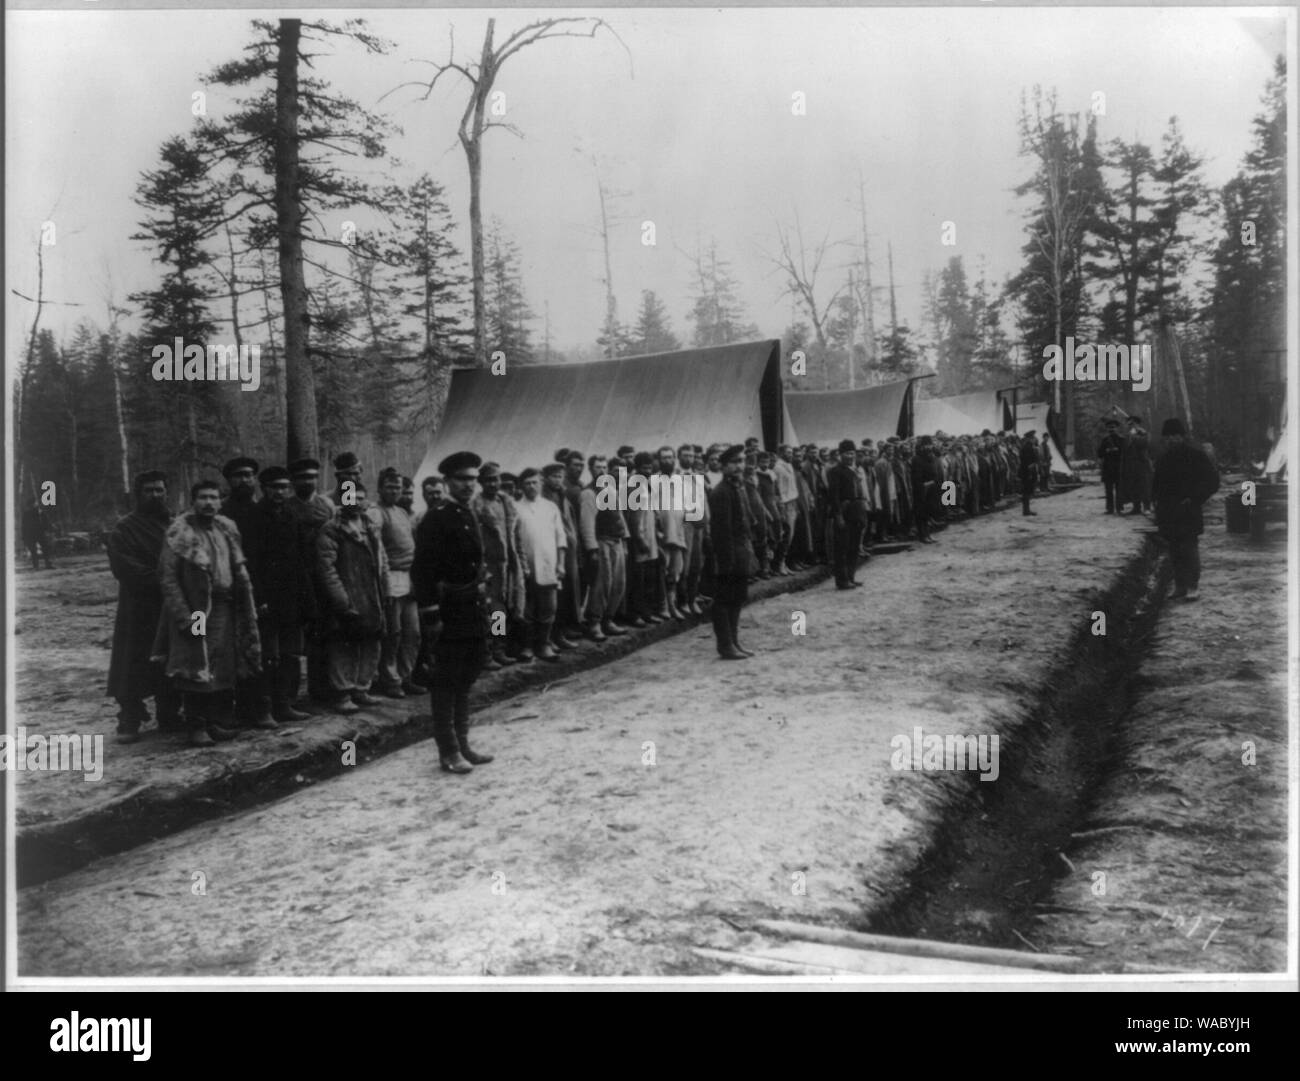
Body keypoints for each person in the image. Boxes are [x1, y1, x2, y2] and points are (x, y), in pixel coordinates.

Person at [152, 479, 262, 747]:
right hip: (199, 609)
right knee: (196, 664)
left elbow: (236, 570)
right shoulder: (180, 534)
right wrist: (185, 616)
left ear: (220, 501)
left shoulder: (226, 530)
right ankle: (196, 726)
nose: (209, 502)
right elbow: (167, 578)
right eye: (203, 497)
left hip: (225, 606)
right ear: (193, 501)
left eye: (214, 497)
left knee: (222, 663)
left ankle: (215, 721)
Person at [412, 451, 495, 773]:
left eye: (473, 479)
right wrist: (431, 614)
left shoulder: (467, 513)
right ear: (447, 481)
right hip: (448, 610)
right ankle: (448, 751)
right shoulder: (437, 517)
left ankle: (464, 744)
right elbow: (422, 571)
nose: (469, 485)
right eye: (462, 479)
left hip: (471, 606)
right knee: (446, 680)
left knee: (467, 676)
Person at [106, 470, 181, 743]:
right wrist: (163, 580)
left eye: (159, 490)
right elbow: (124, 566)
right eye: (149, 490)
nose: (155, 495)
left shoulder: (173, 524)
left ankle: (170, 714)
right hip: (138, 607)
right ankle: (129, 719)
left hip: (169, 605)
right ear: (138, 494)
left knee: (169, 658)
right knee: (132, 662)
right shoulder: (125, 528)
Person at [241, 465, 316, 725]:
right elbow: (250, 562)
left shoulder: (290, 516)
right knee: (267, 655)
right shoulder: (253, 517)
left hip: (290, 596)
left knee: (288, 653)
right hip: (266, 598)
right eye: (275, 487)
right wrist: (259, 599)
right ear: (264, 489)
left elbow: (300, 559)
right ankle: (263, 709)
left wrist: (306, 597)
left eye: (285, 487)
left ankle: (284, 704)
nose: (280, 492)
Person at [315, 481, 389, 714]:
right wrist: (341, 601)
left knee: (371, 642)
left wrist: (384, 589)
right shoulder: (332, 529)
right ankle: (342, 693)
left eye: (359, 497)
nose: (354, 502)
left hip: (372, 593)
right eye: (349, 497)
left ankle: (361, 688)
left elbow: (382, 559)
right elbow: (327, 569)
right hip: (348, 592)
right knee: (344, 644)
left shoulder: (371, 525)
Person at [1152, 418, 1219, 602]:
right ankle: (1180, 586)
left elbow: (1213, 481)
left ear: (1183, 436)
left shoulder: (1196, 455)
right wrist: (1156, 506)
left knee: (1189, 548)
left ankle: (1192, 586)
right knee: (1174, 551)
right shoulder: (1163, 459)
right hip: (1169, 512)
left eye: (1176, 435)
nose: (1172, 439)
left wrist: (1195, 498)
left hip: (1188, 511)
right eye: (1169, 436)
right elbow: (1156, 485)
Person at [370, 468, 423, 697]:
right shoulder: (376, 512)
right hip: (390, 577)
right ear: (380, 488)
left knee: (413, 633)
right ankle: (390, 680)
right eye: (390, 487)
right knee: (394, 633)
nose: (395, 491)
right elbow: (377, 549)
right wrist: (384, 583)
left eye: (398, 487)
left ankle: (406, 675)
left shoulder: (402, 512)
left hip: (409, 577)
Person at [471, 462, 525, 667]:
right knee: (493, 611)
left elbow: (516, 538)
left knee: (508, 608)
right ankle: (489, 652)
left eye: (496, 479)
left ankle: (502, 647)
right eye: (489, 480)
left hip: (509, 565)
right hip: (489, 567)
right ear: (481, 482)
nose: (494, 483)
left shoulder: (506, 503)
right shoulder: (477, 507)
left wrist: (522, 563)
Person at [515, 466, 569, 663]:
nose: (531, 486)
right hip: (524, 567)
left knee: (548, 608)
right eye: (527, 483)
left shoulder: (550, 507)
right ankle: (521, 646)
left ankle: (544, 643)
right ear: (521, 486)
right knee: (523, 611)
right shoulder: (515, 508)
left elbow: (560, 537)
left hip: (548, 565)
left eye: (534, 482)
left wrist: (561, 563)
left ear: (541, 483)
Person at [707, 445, 755, 660]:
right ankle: (725, 645)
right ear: (724, 466)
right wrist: (726, 563)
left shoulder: (738, 488)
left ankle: (734, 641)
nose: (739, 466)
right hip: (728, 554)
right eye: (734, 462)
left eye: (742, 461)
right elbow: (722, 531)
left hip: (740, 551)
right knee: (724, 600)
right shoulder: (721, 492)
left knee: (737, 598)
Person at [826, 439, 866, 587]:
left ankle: (850, 576)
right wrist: (838, 516)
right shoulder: (835, 471)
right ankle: (842, 580)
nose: (851, 456)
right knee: (842, 548)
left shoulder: (853, 470)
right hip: (844, 512)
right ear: (841, 454)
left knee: (854, 547)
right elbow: (834, 496)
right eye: (847, 453)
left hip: (856, 512)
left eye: (852, 453)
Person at [1120, 415, 1153, 515]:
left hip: (1141, 463)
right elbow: (1124, 448)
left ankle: (1147, 507)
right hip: (1130, 463)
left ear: (1137, 424)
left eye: (1132, 423)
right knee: (1133, 486)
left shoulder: (1143, 433)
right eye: (1129, 424)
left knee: (1144, 486)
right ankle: (1136, 507)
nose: (1130, 425)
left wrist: (1134, 436)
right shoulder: (1127, 435)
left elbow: (1144, 444)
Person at [1097, 418, 1125, 514]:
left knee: (1119, 489)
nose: (1111, 429)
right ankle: (1110, 508)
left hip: (1118, 467)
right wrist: (1106, 451)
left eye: (1113, 427)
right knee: (1108, 490)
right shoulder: (1105, 440)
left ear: (1117, 428)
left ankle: (1119, 507)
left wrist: (1117, 450)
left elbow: (1125, 453)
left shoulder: (1122, 440)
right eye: (1109, 428)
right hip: (1108, 468)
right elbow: (1100, 453)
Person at [21, 498, 55, 570]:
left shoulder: (40, 512)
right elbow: (24, 526)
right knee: (33, 550)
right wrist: (24, 536)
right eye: (34, 503)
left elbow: (46, 521)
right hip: (31, 534)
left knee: (45, 548)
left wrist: (49, 528)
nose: (35, 504)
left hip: (40, 532)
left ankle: (48, 564)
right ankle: (36, 566)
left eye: (35, 503)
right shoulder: (27, 513)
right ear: (30, 505)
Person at [1019, 432, 1039, 516]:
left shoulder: (1028, 446)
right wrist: (1030, 473)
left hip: (1027, 472)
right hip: (1027, 472)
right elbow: (1027, 462)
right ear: (1030, 438)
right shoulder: (1027, 447)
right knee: (1026, 491)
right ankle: (1026, 511)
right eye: (1033, 437)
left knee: (1027, 491)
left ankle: (1027, 510)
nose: (1034, 439)